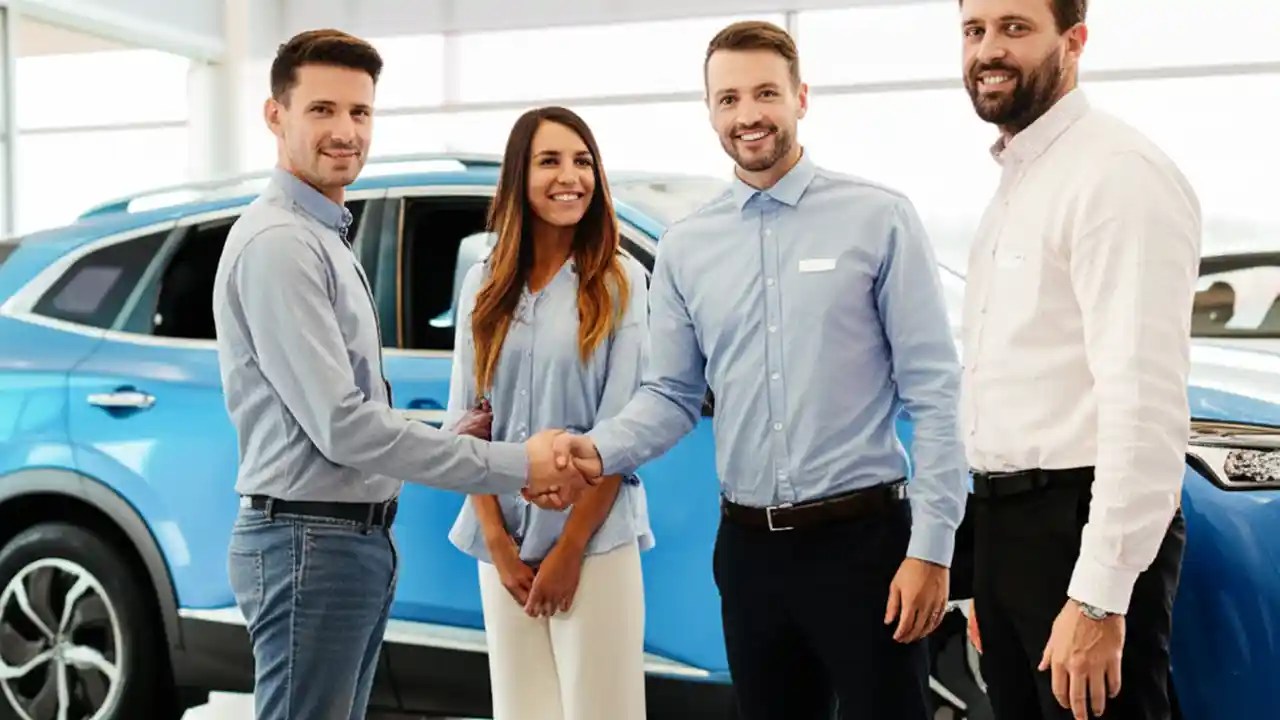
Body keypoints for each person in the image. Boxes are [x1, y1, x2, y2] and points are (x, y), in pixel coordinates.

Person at [552, 20, 968, 720]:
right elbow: (672, 395)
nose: (748, 115)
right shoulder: (688, 246)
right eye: (729, 98)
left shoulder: (878, 218)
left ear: (801, 97)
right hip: (749, 555)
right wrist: (595, 449)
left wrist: (932, 548)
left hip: (864, 547)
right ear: (711, 110)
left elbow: (936, 391)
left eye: (765, 93)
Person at [211, 30, 586, 720]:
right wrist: (510, 461)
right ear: (275, 116)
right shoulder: (281, 246)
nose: (346, 131)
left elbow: (341, 409)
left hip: (339, 542)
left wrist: (447, 435)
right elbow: (342, 426)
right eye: (323, 110)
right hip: (310, 546)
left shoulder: (322, 234)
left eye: (360, 113)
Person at [955, 1, 1201, 719]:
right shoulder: (1021, 181)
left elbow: (1144, 405)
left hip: (1077, 528)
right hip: (1011, 536)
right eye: (975, 31)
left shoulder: (1117, 174)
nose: (989, 49)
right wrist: (988, 572)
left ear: (1075, 40)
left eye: (1015, 27)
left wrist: (1097, 595)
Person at [443, 105, 653, 720]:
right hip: (502, 546)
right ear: (518, 176)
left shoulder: (620, 282)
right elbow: (465, 425)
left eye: (583, 161)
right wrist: (497, 544)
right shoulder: (482, 284)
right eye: (550, 161)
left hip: (593, 544)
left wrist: (568, 550)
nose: (571, 176)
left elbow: (622, 434)